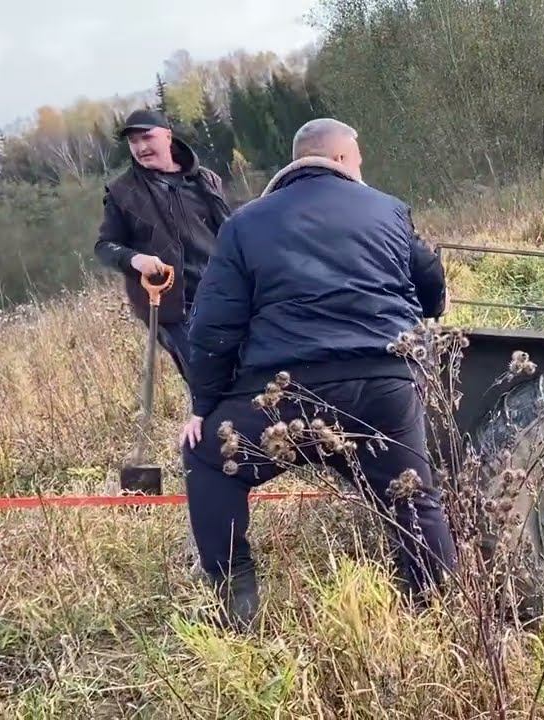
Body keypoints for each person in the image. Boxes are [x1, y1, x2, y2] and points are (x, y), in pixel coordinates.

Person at [178, 118, 456, 631]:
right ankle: (438, 614)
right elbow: (432, 285)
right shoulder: (389, 209)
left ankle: (237, 603)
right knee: (413, 495)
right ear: (344, 159)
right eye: (360, 161)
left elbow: (213, 328)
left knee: (207, 458)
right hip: (383, 384)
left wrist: (205, 406)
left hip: (287, 394)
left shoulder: (244, 223)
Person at [93, 108, 232, 387]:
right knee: (205, 379)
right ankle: (212, 427)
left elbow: (230, 233)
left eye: (147, 137)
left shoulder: (207, 181)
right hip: (171, 305)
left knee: (243, 368)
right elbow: (104, 246)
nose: (141, 147)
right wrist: (135, 260)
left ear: (168, 136)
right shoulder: (122, 192)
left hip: (222, 293)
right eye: (133, 142)